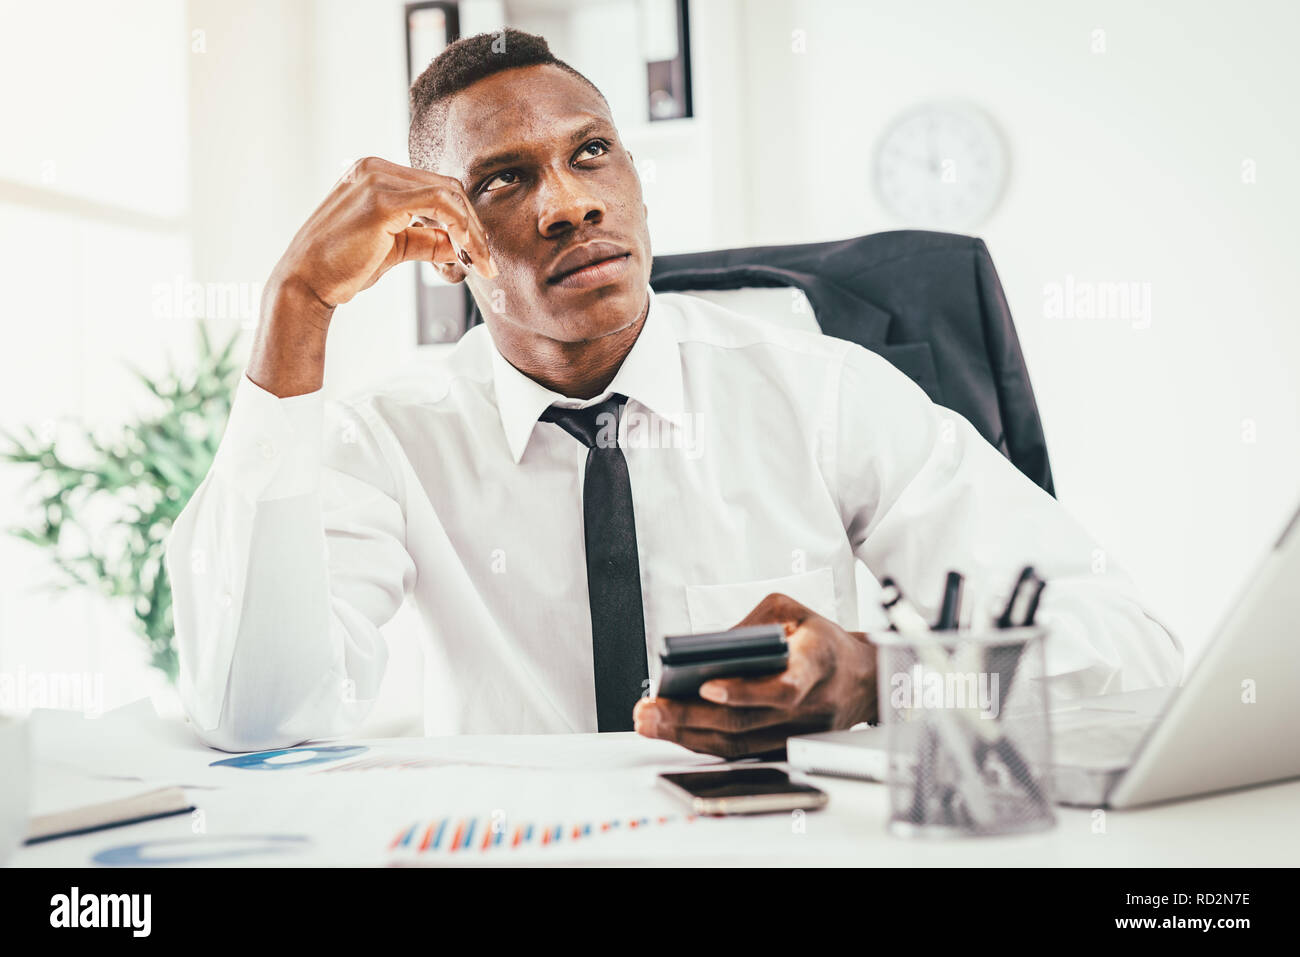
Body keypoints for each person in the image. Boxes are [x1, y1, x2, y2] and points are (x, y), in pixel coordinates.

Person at [165, 29, 1181, 756]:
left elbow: (1132, 656)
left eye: (591, 152)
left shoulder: (820, 392)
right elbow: (258, 717)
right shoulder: (386, 441)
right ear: (441, 245)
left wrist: (881, 679)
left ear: (637, 180)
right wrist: (296, 305)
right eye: (505, 180)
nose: (570, 204)